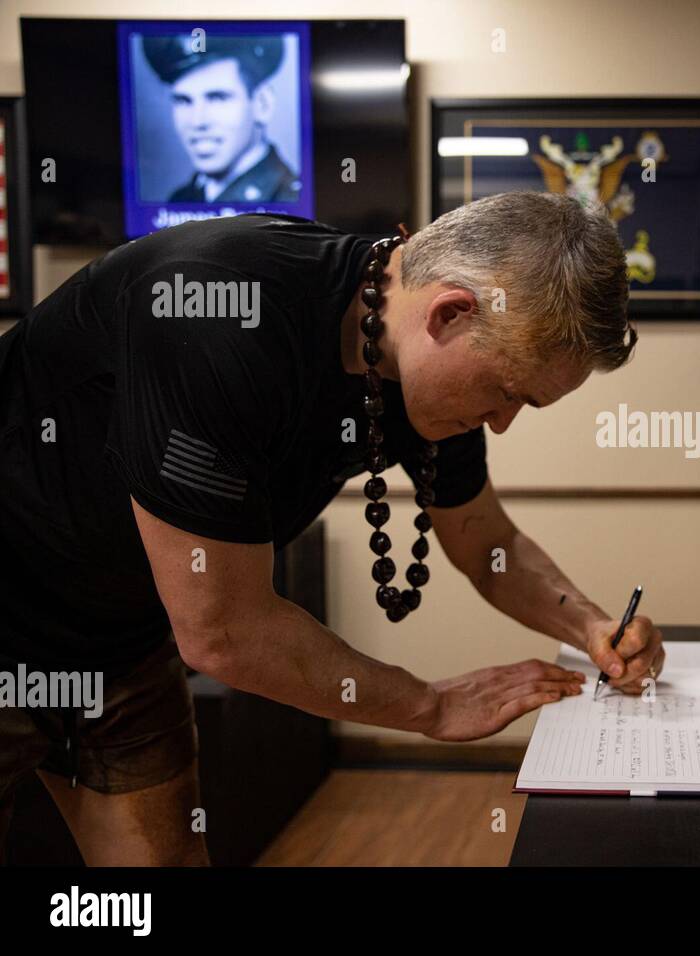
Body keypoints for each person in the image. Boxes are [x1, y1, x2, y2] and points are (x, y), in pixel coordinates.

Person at [0, 192, 663, 865]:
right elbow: (225, 631)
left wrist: (589, 626)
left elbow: (488, 544)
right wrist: (428, 707)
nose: (502, 422)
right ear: (451, 313)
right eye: (510, 391)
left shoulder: (426, 374)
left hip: (123, 640)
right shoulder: (214, 305)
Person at [142, 34, 301, 203]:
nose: (197, 122)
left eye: (217, 98)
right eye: (184, 101)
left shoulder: (289, 198)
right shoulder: (181, 199)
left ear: (262, 104)